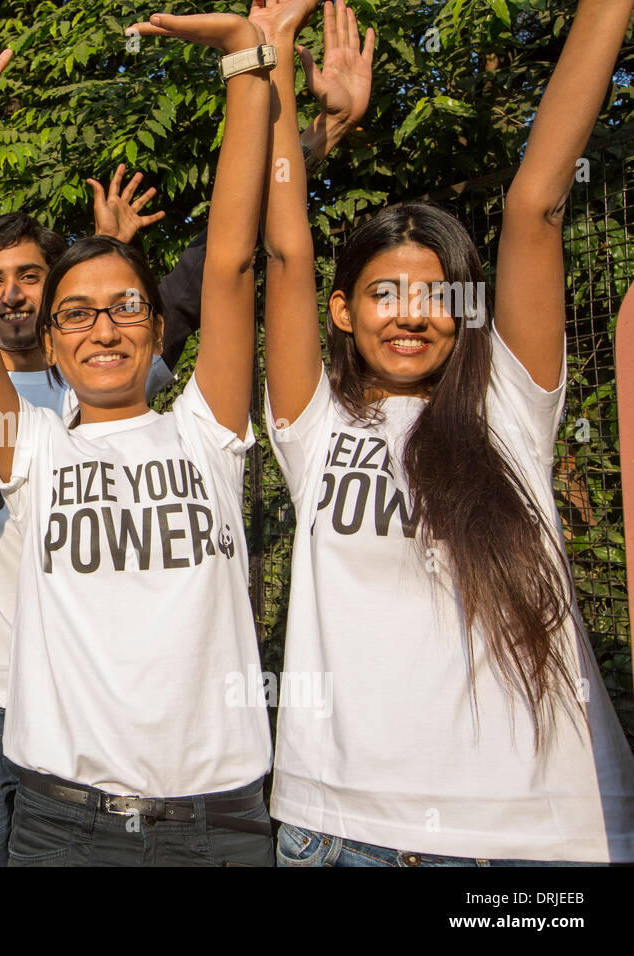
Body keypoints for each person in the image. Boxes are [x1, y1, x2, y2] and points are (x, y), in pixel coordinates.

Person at [0, 6, 276, 865]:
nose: (104, 327)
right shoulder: (31, 447)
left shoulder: (206, 429)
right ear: (54, 343)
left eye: (125, 305)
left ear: (154, 327)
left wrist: (246, 65)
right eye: (78, 314)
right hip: (64, 824)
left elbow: (232, 261)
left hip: (218, 822)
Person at [261, 0, 634, 865]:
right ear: (343, 311)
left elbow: (537, 204)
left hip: (531, 840)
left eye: (434, 295)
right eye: (384, 294)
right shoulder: (313, 426)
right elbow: (281, 250)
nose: (410, 316)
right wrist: (271, 66)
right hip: (342, 831)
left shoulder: (511, 404)